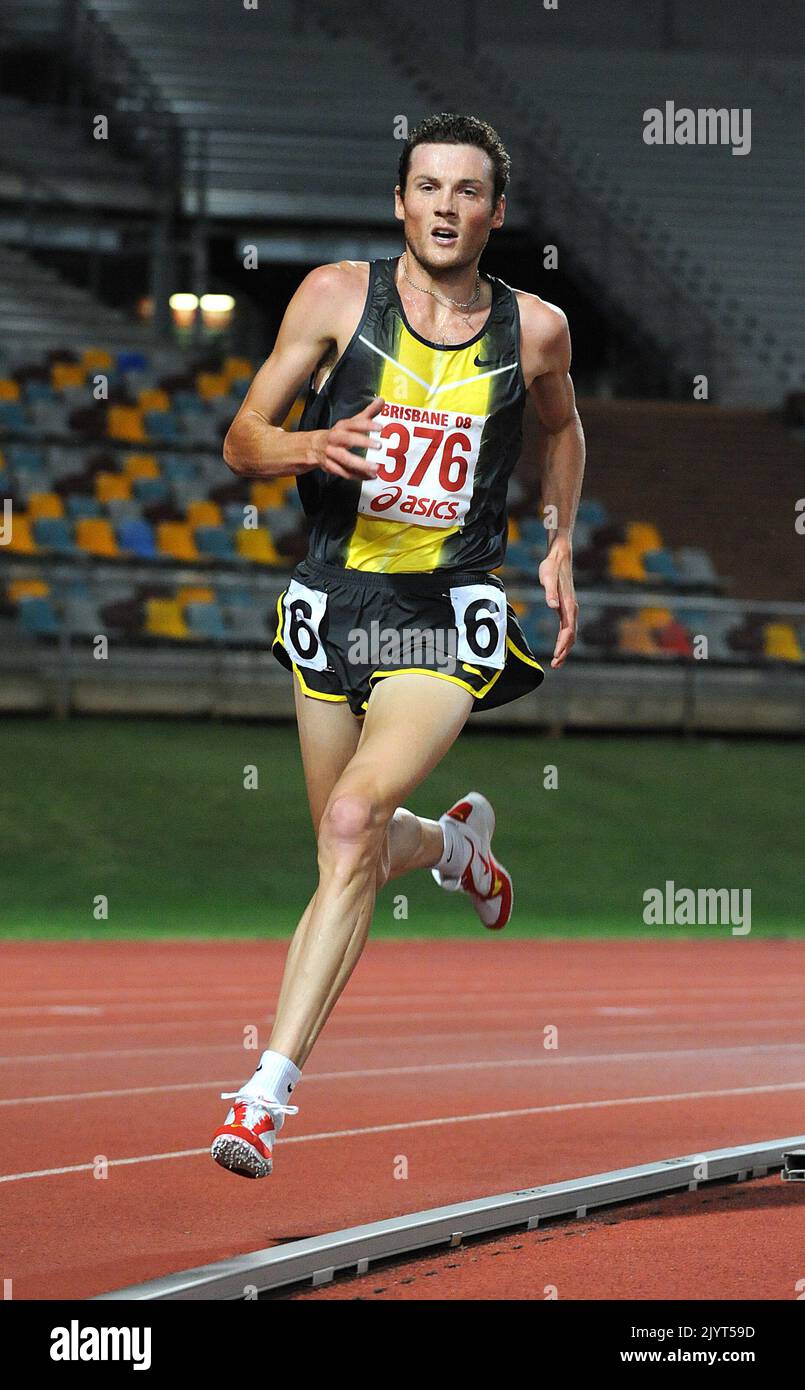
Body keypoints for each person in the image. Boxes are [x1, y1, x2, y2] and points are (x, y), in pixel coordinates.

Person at [211, 112, 585, 1179]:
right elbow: (240, 440)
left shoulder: (538, 331)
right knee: (355, 849)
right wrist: (305, 445)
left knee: (347, 817)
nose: (445, 206)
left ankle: (264, 1094)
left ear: (494, 213)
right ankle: (454, 848)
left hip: (445, 605)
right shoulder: (337, 296)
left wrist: (558, 542)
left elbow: (560, 427)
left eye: (467, 191)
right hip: (334, 597)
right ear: (399, 200)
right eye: (428, 186)